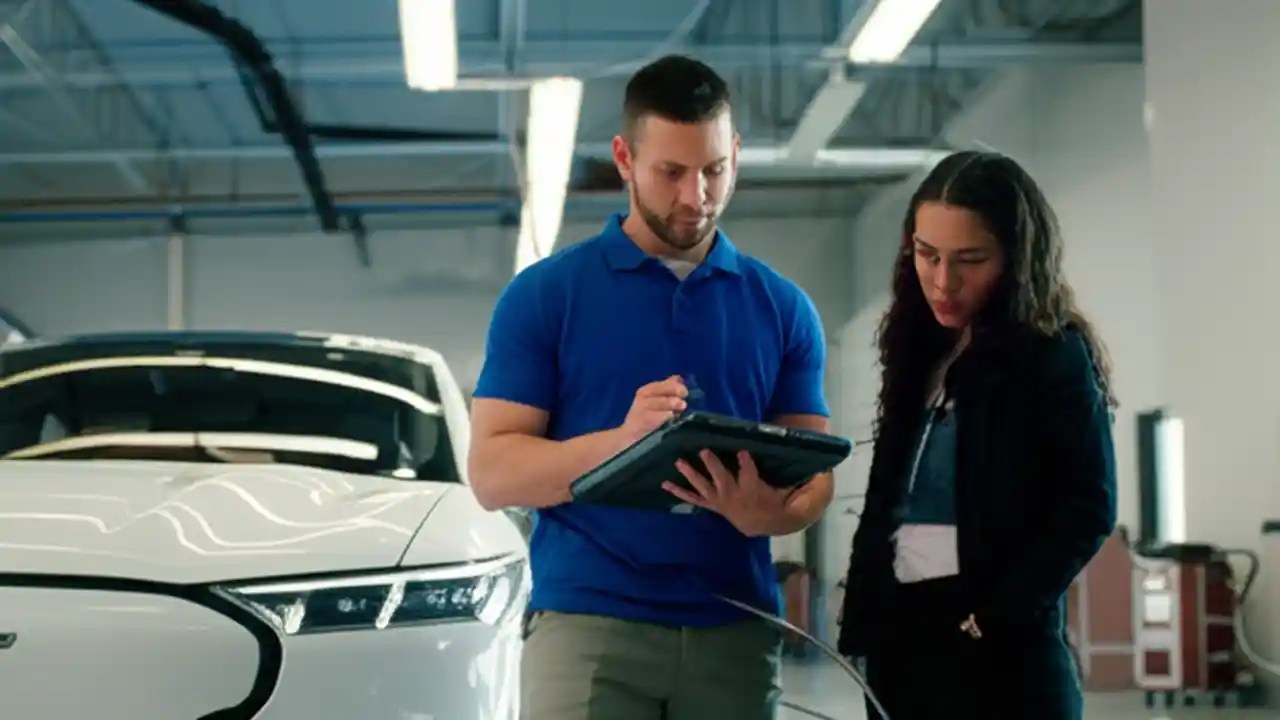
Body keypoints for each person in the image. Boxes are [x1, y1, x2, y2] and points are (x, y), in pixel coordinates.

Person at [468, 55, 834, 720]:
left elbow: (815, 473)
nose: (695, 196)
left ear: (736, 155)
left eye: (715, 170)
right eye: (671, 172)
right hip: (588, 626)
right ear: (624, 158)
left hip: (736, 627)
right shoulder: (546, 297)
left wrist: (772, 515)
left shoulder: (783, 308)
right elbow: (493, 474)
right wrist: (622, 442)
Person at [836, 150, 1118, 719]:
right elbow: (887, 495)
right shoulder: (918, 348)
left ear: (1016, 257)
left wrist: (994, 616)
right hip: (903, 640)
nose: (943, 281)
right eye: (926, 254)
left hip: (1001, 650)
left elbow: (1091, 504)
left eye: (970, 259)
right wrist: (865, 620)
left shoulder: (1052, 352)